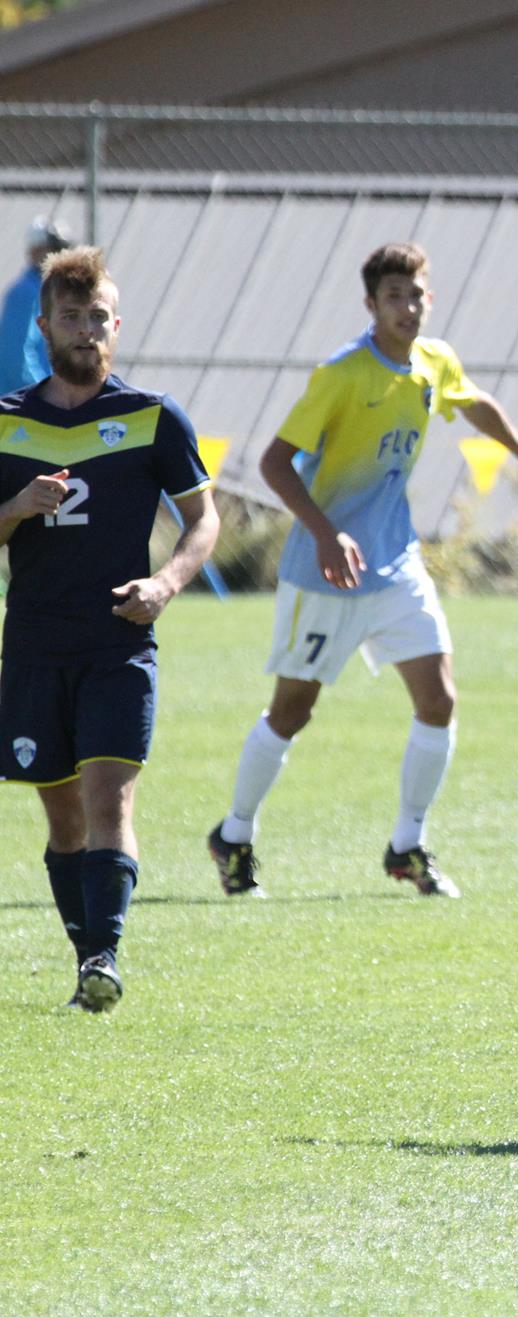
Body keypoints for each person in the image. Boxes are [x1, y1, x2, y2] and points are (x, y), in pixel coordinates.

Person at [206, 241, 518, 899]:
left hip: (395, 563)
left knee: (439, 697)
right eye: (394, 296)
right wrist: (324, 533)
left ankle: (407, 845)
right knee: (292, 712)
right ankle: (233, 832)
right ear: (371, 305)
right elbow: (274, 462)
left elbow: (471, 398)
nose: (408, 306)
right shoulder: (342, 375)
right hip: (326, 573)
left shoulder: (434, 360)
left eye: (417, 294)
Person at [0, 245, 220, 1012]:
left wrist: (166, 581)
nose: (87, 330)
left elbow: (204, 519)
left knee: (108, 800)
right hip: (31, 644)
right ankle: (86, 956)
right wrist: (15, 509)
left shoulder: (153, 417)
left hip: (119, 640)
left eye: (100, 318)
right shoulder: (7, 423)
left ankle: (105, 954)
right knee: (62, 816)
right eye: (72, 317)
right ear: (45, 326)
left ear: (117, 326)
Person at [0, 216, 70, 392]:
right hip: (24, 403)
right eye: (53, 250)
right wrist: (42, 393)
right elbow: (17, 355)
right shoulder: (25, 293)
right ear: (35, 252)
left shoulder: (48, 290)